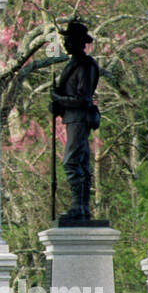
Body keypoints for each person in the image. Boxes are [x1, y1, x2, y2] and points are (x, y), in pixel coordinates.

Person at [50, 19, 100, 224]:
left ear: (79, 42)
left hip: (80, 118)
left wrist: (58, 99)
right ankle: (81, 208)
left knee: (72, 161)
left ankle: (79, 207)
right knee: (79, 161)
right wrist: (57, 105)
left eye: (69, 39)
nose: (66, 42)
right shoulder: (74, 64)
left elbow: (83, 100)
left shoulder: (85, 66)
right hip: (72, 118)